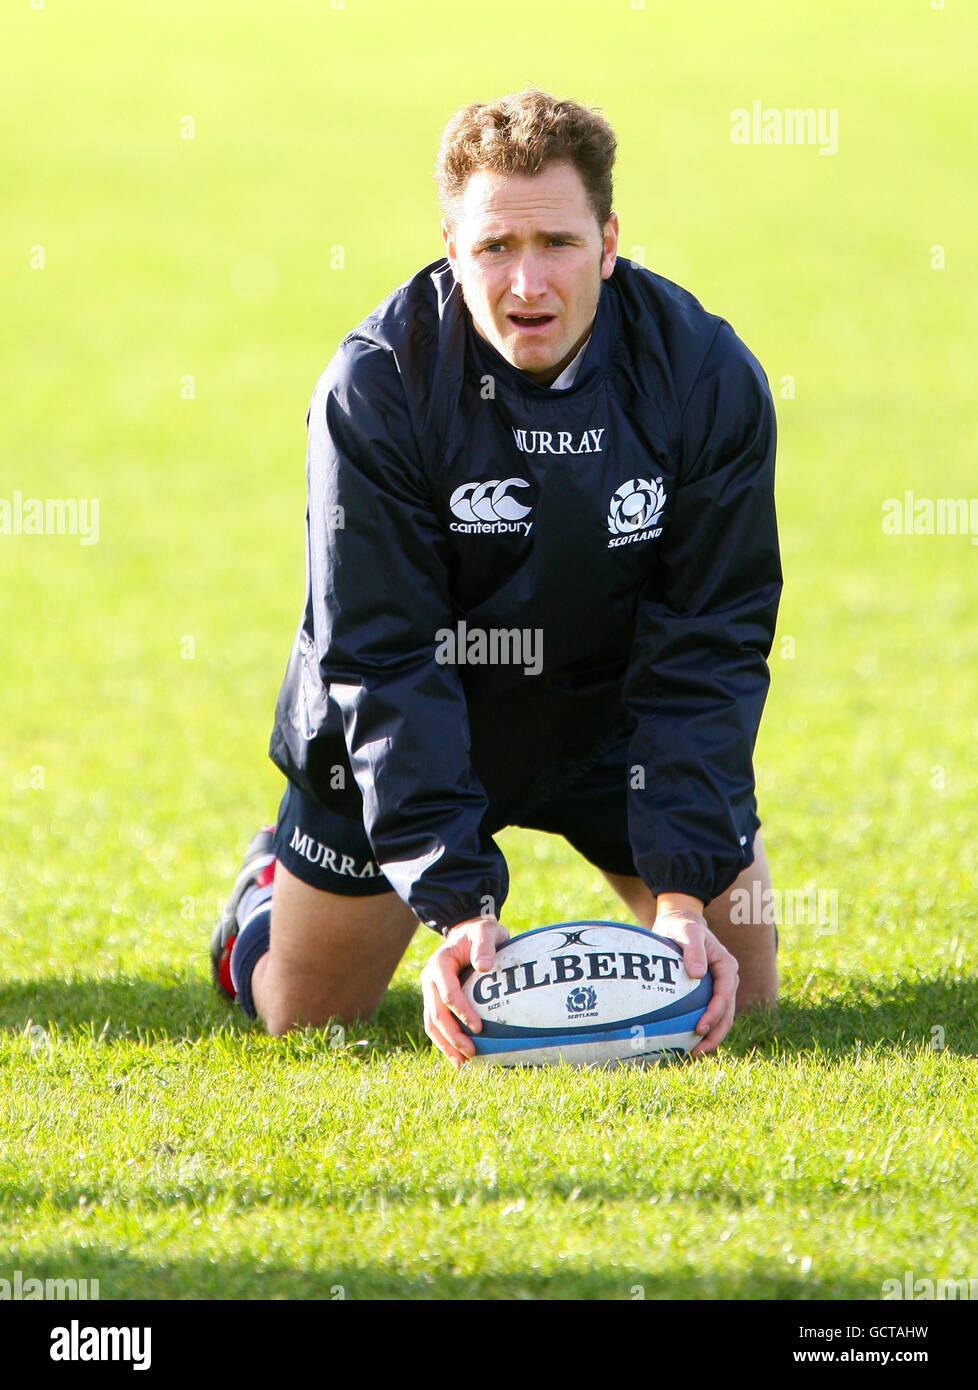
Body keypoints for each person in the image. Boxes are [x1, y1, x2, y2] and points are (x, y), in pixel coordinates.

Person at [210, 87, 783, 1069]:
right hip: (418, 714)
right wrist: (457, 903)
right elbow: (383, 652)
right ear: (450, 246)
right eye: (493, 248)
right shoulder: (377, 385)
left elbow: (711, 639)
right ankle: (262, 896)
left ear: (610, 239)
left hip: (611, 725)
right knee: (307, 1018)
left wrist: (686, 891)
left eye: (557, 243)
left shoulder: (705, 375)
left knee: (737, 996)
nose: (528, 283)